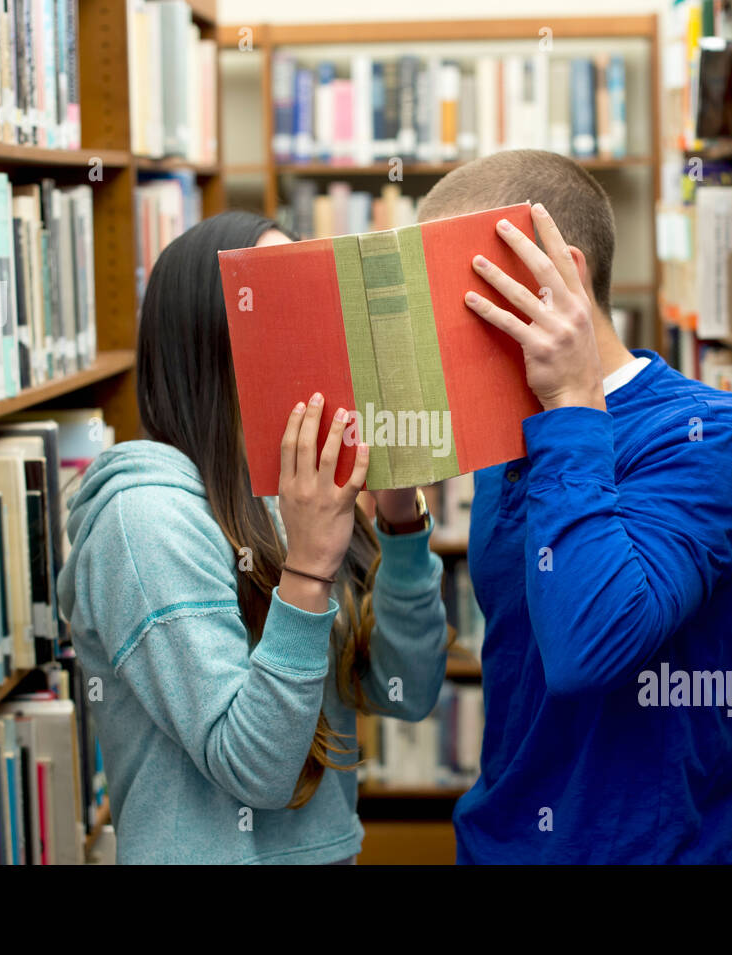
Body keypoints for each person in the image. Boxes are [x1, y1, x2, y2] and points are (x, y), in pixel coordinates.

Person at [56, 211, 448, 864]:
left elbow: (406, 689)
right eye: (282, 298)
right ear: (211, 336)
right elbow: (257, 769)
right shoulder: (146, 518)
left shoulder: (287, 492)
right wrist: (310, 565)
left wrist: (402, 520)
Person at [418, 150, 732, 863]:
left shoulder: (712, 438)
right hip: (496, 843)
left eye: (447, 294)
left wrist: (573, 403)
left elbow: (588, 649)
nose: (428, 331)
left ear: (560, 281)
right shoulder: (504, 434)